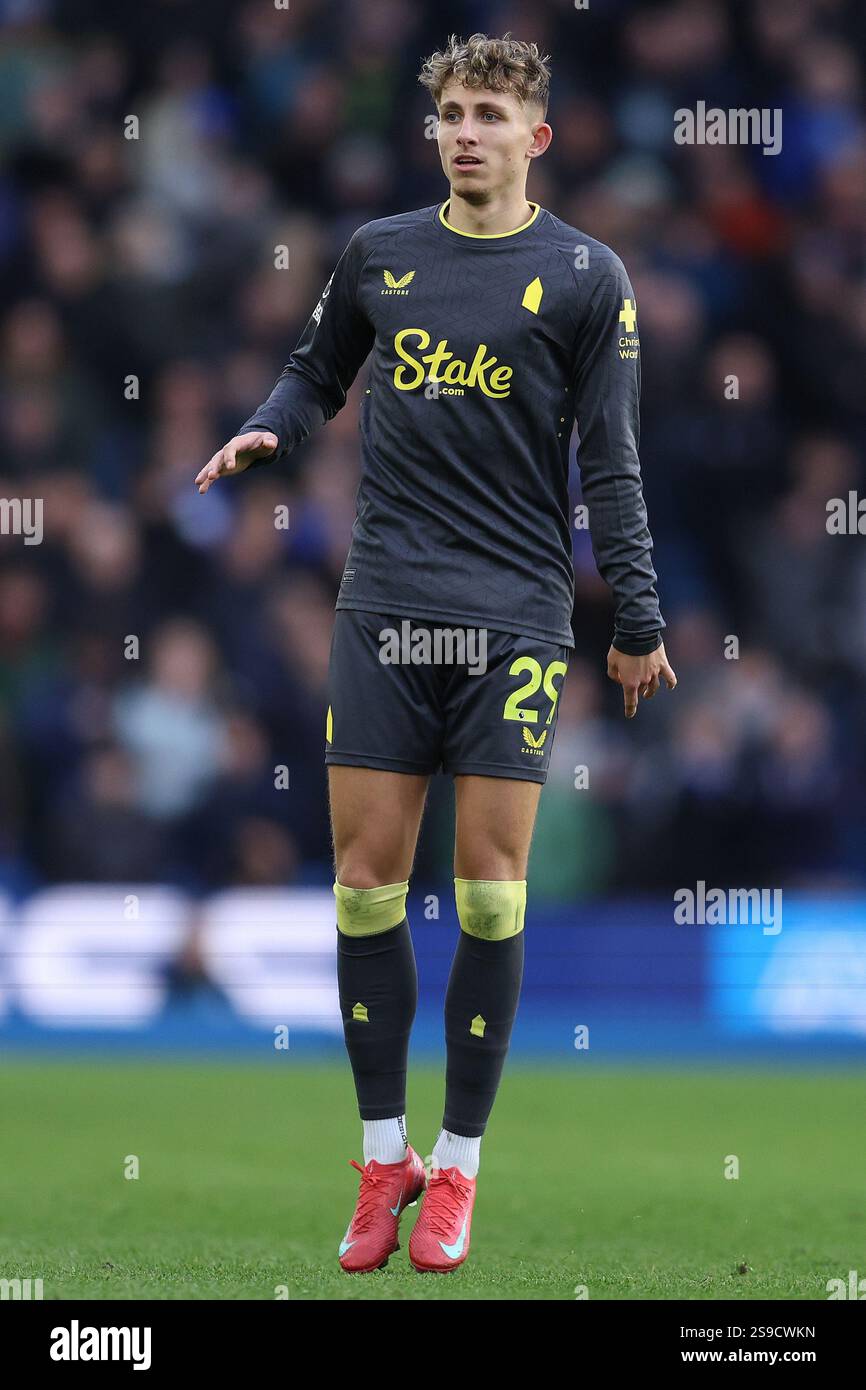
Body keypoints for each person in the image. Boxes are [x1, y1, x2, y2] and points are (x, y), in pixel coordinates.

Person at [195, 32, 676, 1275]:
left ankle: (457, 1168)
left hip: (514, 614)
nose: (464, 132)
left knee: (489, 891)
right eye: (450, 113)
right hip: (384, 608)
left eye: (487, 116)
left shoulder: (583, 275)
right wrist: (263, 430)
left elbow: (609, 462)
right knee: (362, 882)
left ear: (537, 138)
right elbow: (315, 373)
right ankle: (380, 1157)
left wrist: (634, 616)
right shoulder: (378, 255)